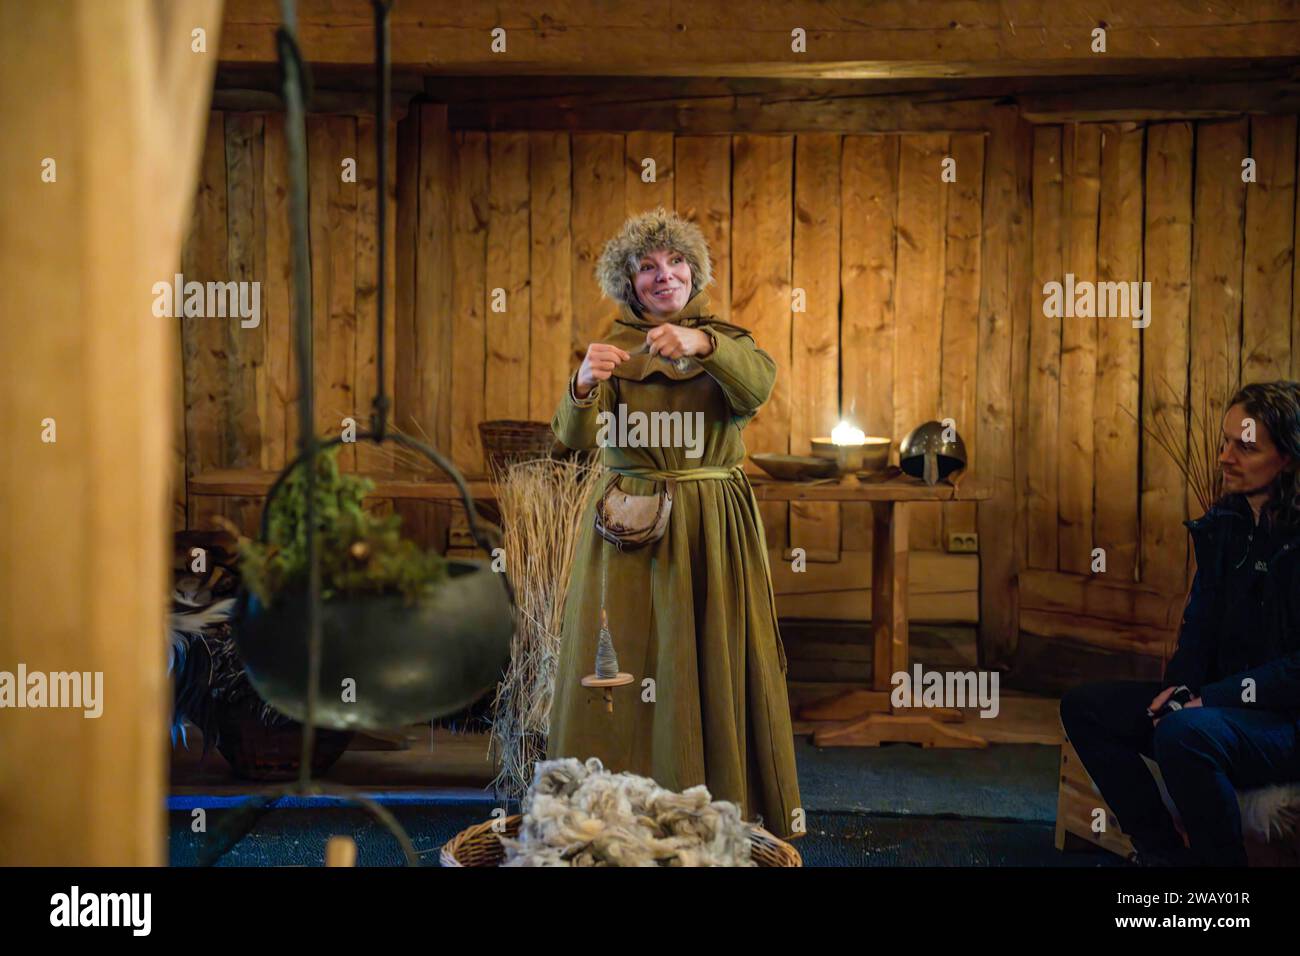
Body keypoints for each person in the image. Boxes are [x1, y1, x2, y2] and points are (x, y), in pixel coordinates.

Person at [545, 206, 803, 840]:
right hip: (627, 527)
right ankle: (611, 817)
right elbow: (572, 441)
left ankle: (720, 807)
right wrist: (581, 385)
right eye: (648, 268)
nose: (665, 277)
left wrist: (703, 345)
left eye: (676, 263)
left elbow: (758, 388)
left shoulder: (727, 342)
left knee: (712, 655)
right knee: (621, 661)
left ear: (695, 272)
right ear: (629, 284)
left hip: (712, 525)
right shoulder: (609, 348)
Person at [1060, 381, 1300, 866]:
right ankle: (1164, 855)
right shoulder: (1224, 527)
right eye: (1224, 441)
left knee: (1185, 733)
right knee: (1086, 707)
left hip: (1283, 722)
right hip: (1218, 707)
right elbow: (1199, 625)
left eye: (1246, 447)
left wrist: (1209, 699)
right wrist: (1180, 688)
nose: (1225, 457)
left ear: (1289, 459)